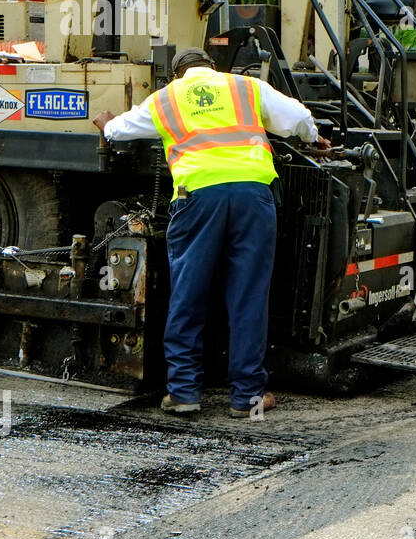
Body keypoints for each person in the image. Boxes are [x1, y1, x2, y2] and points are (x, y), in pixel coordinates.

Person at [93, 47, 325, 418]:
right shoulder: (245, 87)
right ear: (213, 68)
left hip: (197, 199)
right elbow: (298, 117)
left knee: (188, 294)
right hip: (253, 197)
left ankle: (184, 393)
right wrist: (313, 138)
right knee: (248, 297)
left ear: (177, 75)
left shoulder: (167, 98)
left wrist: (106, 124)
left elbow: (121, 130)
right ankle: (247, 399)